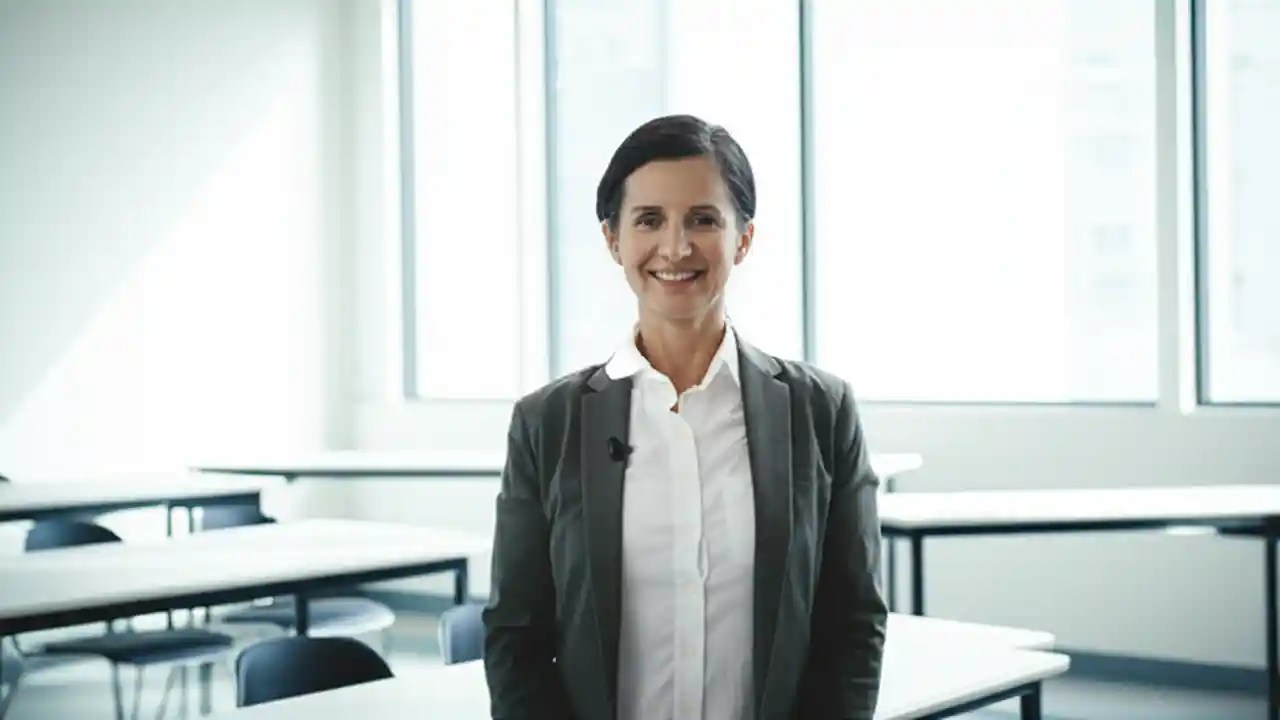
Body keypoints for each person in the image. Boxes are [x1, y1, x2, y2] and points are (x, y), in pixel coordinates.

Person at [483, 114, 887, 720]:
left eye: (703, 219)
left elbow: (853, 626)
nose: (676, 247)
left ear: (743, 239)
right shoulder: (548, 424)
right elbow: (516, 635)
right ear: (613, 240)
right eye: (649, 220)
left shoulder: (822, 412)